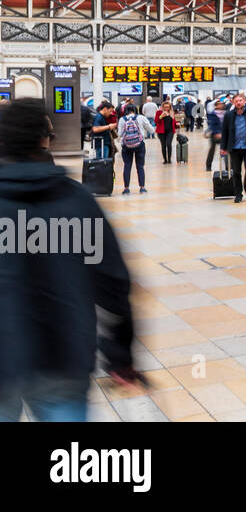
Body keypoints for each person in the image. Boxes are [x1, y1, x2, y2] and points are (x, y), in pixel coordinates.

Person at [0, 98, 145, 421]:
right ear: (43, 140)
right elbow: (113, 285)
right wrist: (120, 356)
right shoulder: (76, 201)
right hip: (62, 355)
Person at [221, 94, 246, 203]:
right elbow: (225, 131)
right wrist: (223, 147)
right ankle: (238, 194)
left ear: (244, 101)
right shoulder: (229, 115)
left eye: (240, 100)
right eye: (236, 101)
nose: (238, 103)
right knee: (236, 171)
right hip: (234, 147)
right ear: (233, 103)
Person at [117, 103, 148, 195]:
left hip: (126, 145)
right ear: (135, 109)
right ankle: (142, 188)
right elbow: (151, 130)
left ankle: (126, 189)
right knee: (140, 167)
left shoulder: (122, 119)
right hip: (140, 145)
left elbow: (119, 134)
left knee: (127, 166)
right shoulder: (141, 117)